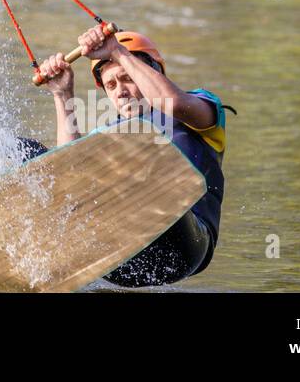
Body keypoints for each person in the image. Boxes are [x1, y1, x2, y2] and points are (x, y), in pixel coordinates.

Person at [21, 25, 233, 287]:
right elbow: (67, 175)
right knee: (25, 151)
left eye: (127, 79)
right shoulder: (107, 136)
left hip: (183, 247)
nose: (119, 91)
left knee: (132, 152)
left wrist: (117, 52)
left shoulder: (201, 108)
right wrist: (62, 93)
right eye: (110, 85)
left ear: (153, 72)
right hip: (119, 259)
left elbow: (172, 103)